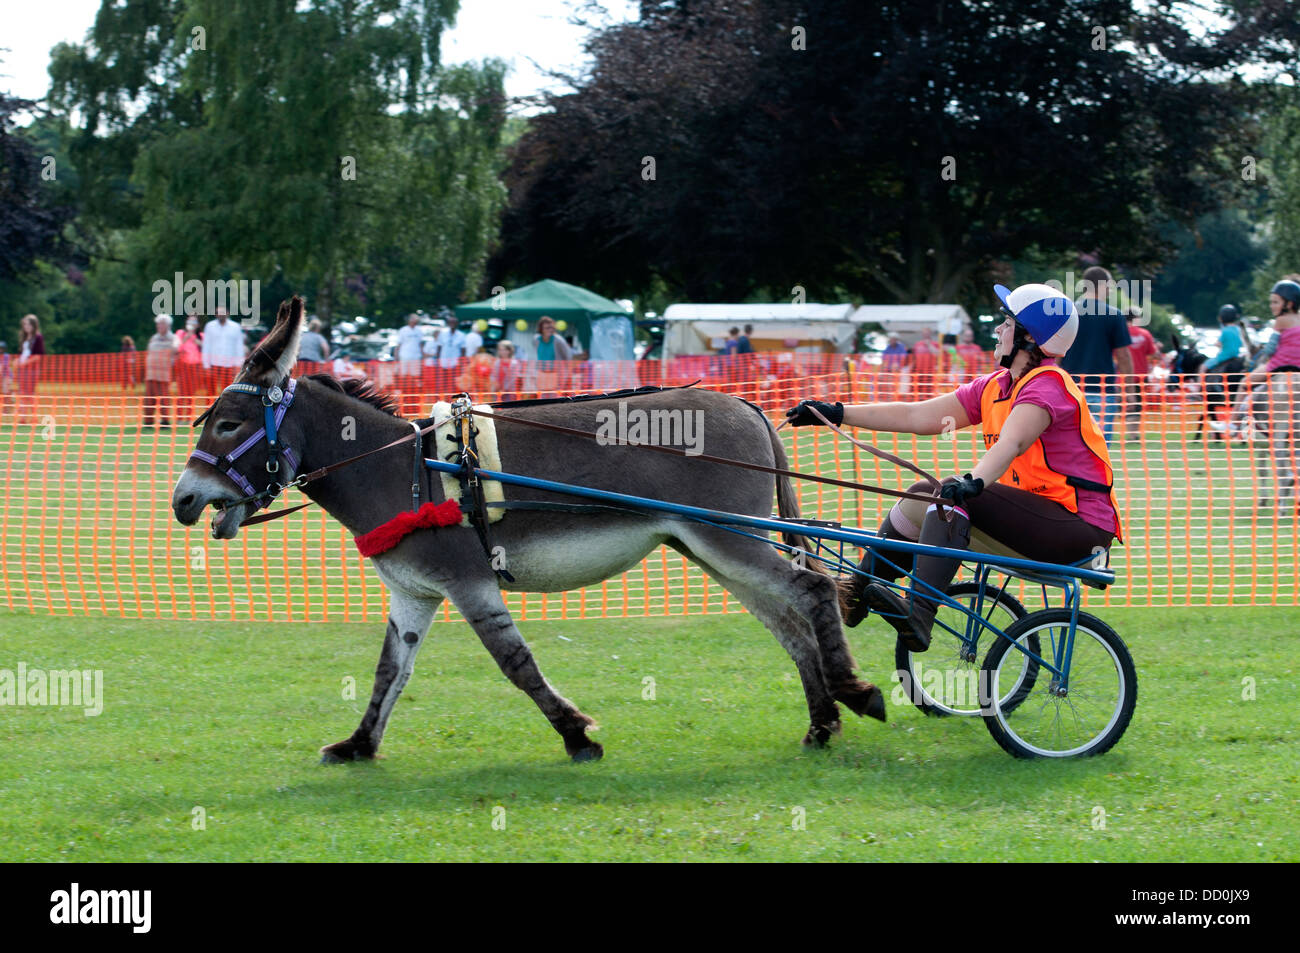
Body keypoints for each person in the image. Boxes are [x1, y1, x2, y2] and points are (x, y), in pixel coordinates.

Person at [786, 282, 1122, 650]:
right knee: (919, 498)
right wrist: (835, 413)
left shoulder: (1047, 387)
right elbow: (918, 415)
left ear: (1030, 338)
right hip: (1039, 521)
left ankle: (920, 612)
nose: (997, 329)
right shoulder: (997, 385)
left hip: (1080, 531)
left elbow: (1013, 443)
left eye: (1006, 323)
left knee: (952, 494)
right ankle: (853, 595)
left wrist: (971, 484)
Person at [1061, 266, 1133, 443]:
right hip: (1102, 389)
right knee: (1099, 444)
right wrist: (1130, 390)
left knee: (1071, 441)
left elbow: (1055, 351)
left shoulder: (1067, 312)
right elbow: (1123, 356)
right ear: (1102, 285)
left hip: (1070, 388)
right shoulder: (1114, 315)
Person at [1201, 304, 1252, 437]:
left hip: (1224, 356)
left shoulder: (1225, 331)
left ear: (1222, 318)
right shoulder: (1237, 329)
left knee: (1203, 367)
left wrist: (1216, 344)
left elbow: (1219, 344)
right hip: (1236, 356)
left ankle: (1202, 388)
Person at [1124, 307, 1159, 441]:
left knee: (1120, 404)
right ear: (1137, 318)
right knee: (1136, 405)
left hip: (1121, 376)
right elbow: (1154, 354)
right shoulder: (1145, 334)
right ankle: (1133, 434)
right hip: (1140, 376)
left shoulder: (1120, 333)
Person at [143, 315, 177, 428]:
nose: (159, 326)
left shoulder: (173, 338)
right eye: (158, 324)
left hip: (163, 374)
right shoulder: (154, 337)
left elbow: (176, 350)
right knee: (149, 398)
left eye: (162, 323)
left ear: (168, 325)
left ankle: (165, 421)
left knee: (163, 398)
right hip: (151, 373)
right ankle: (148, 421)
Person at [201, 308, 245, 394]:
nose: (221, 315)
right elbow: (206, 346)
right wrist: (206, 365)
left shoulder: (235, 327)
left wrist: (238, 365)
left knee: (228, 390)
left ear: (228, 313)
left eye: (223, 313)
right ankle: (211, 407)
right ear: (216, 314)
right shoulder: (210, 326)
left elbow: (239, 347)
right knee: (210, 391)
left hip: (229, 365)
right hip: (213, 364)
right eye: (218, 313)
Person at [533, 315, 573, 396]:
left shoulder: (559, 340)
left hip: (557, 373)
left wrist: (567, 374)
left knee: (555, 398)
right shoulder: (536, 340)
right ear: (541, 329)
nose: (550, 330)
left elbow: (568, 357)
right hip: (542, 373)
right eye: (547, 328)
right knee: (542, 397)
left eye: (551, 327)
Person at [16, 314, 45, 424]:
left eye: (28, 324)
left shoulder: (38, 337)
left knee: (30, 393)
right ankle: (23, 418)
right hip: (22, 370)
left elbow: (38, 356)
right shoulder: (24, 337)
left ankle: (34, 417)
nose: (26, 326)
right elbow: (22, 353)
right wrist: (18, 361)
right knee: (22, 392)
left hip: (32, 369)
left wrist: (25, 363)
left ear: (34, 325)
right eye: (24, 324)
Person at [174, 315, 203, 416]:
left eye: (194, 322)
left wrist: (195, 338)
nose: (191, 324)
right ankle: (180, 416)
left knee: (191, 393)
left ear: (198, 325)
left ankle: (188, 415)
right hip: (183, 366)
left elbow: (205, 347)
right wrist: (187, 336)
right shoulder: (180, 333)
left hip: (195, 367)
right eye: (190, 322)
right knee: (182, 392)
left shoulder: (201, 335)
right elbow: (177, 348)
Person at [395, 314, 426, 408]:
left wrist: (423, 355)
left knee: (415, 376)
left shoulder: (419, 331)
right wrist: (396, 356)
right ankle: (404, 393)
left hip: (416, 357)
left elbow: (420, 344)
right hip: (404, 356)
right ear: (409, 320)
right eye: (413, 318)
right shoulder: (403, 330)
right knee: (404, 376)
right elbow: (399, 344)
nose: (415, 320)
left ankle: (413, 394)